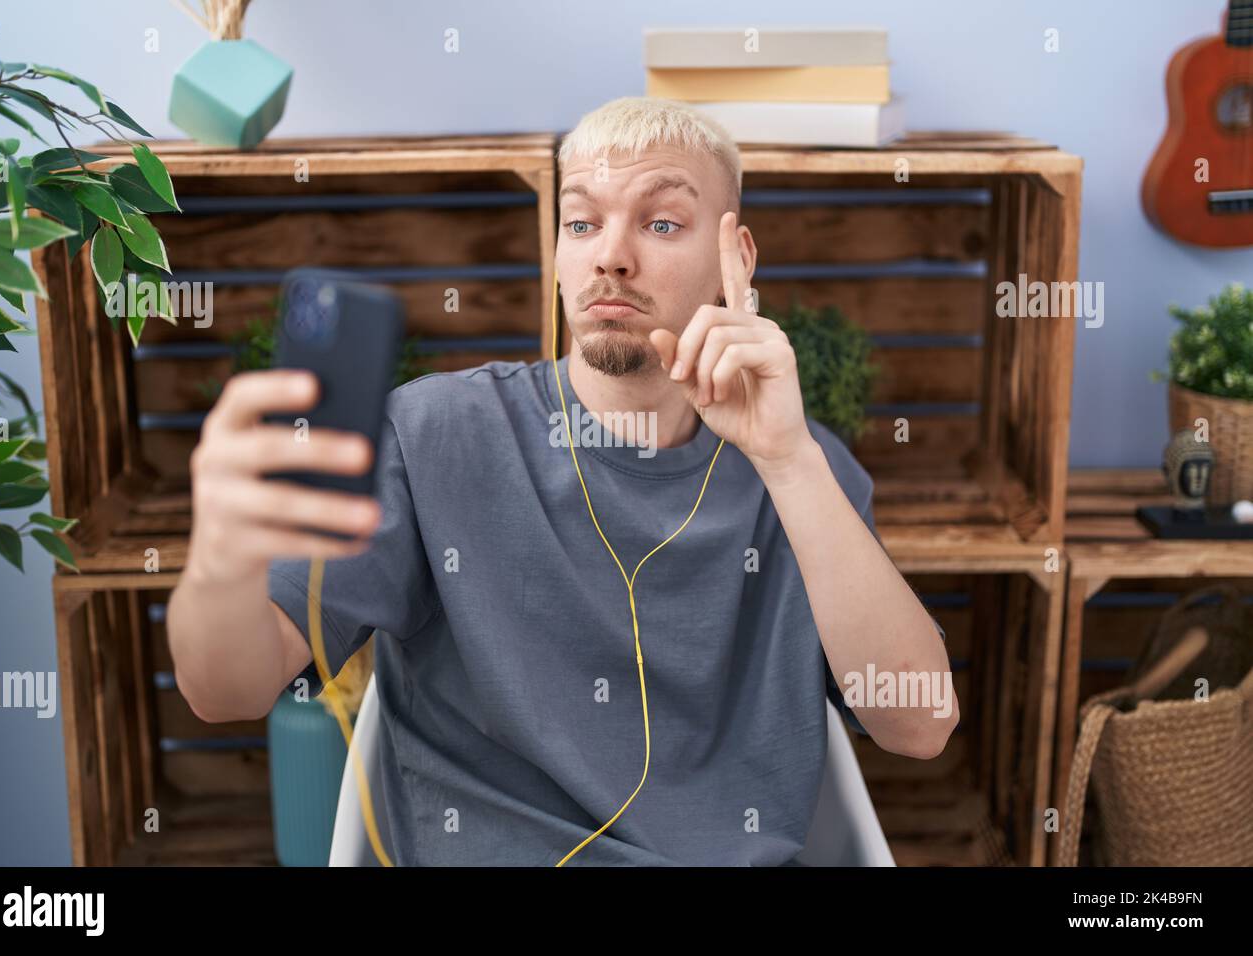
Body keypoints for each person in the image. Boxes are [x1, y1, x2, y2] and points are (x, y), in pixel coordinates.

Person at [167, 96, 958, 866]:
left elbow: (919, 726)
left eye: (661, 223)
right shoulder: (436, 433)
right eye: (582, 222)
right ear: (558, 256)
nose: (611, 254)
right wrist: (219, 563)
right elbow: (225, 692)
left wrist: (789, 464)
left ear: (736, 263)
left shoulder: (804, 471)